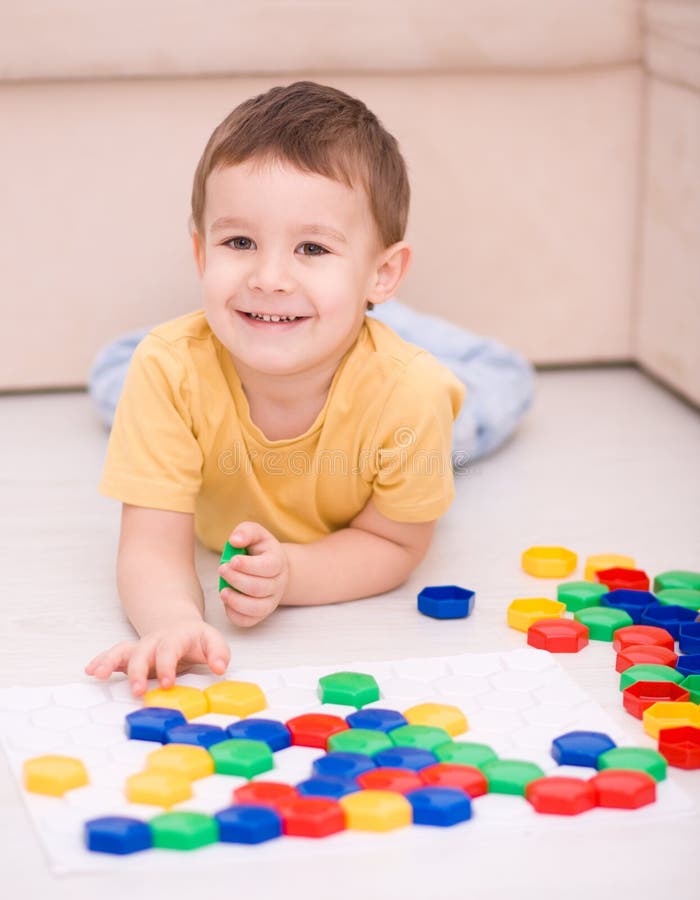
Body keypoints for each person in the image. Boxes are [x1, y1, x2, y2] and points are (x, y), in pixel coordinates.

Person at [85, 80, 534, 698]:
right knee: (122, 370)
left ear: (384, 272)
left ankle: (386, 321)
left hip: (392, 388)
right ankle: (344, 309)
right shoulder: (166, 370)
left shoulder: (413, 393)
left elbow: (394, 541)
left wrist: (292, 574)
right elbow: (151, 546)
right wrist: (173, 622)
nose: (269, 277)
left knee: (477, 405)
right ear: (200, 253)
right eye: (239, 242)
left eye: (313, 247)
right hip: (264, 335)